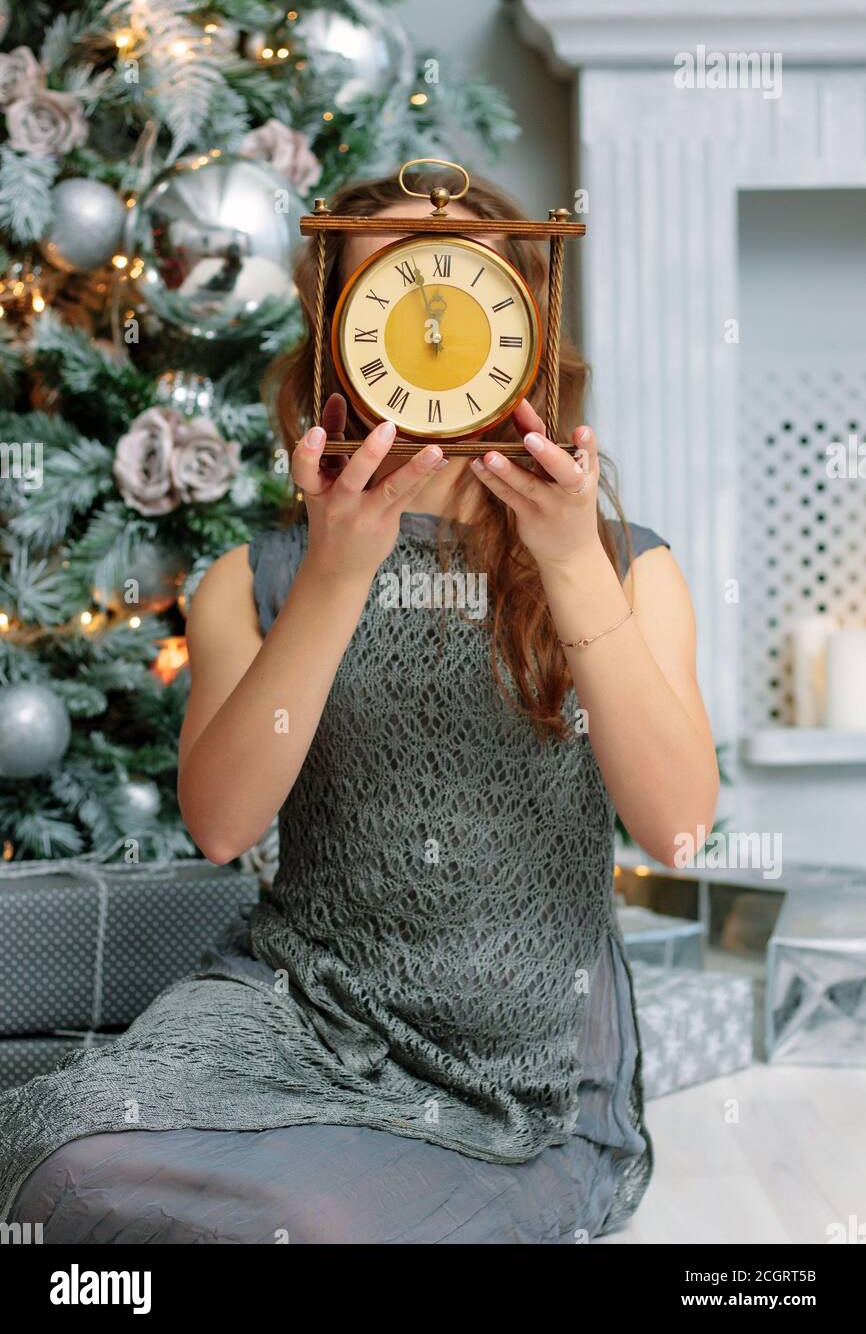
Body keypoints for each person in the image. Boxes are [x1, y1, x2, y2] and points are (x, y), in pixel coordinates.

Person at [0, 168, 718, 1244]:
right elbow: (223, 824)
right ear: (340, 332)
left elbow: (676, 826)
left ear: (523, 325)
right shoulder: (257, 577)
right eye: (391, 286)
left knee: (319, 1231)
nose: (436, 321)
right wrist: (338, 573)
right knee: (59, 1151)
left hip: (517, 1069)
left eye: (466, 289)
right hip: (291, 1016)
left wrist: (567, 565)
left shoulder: (624, 567)